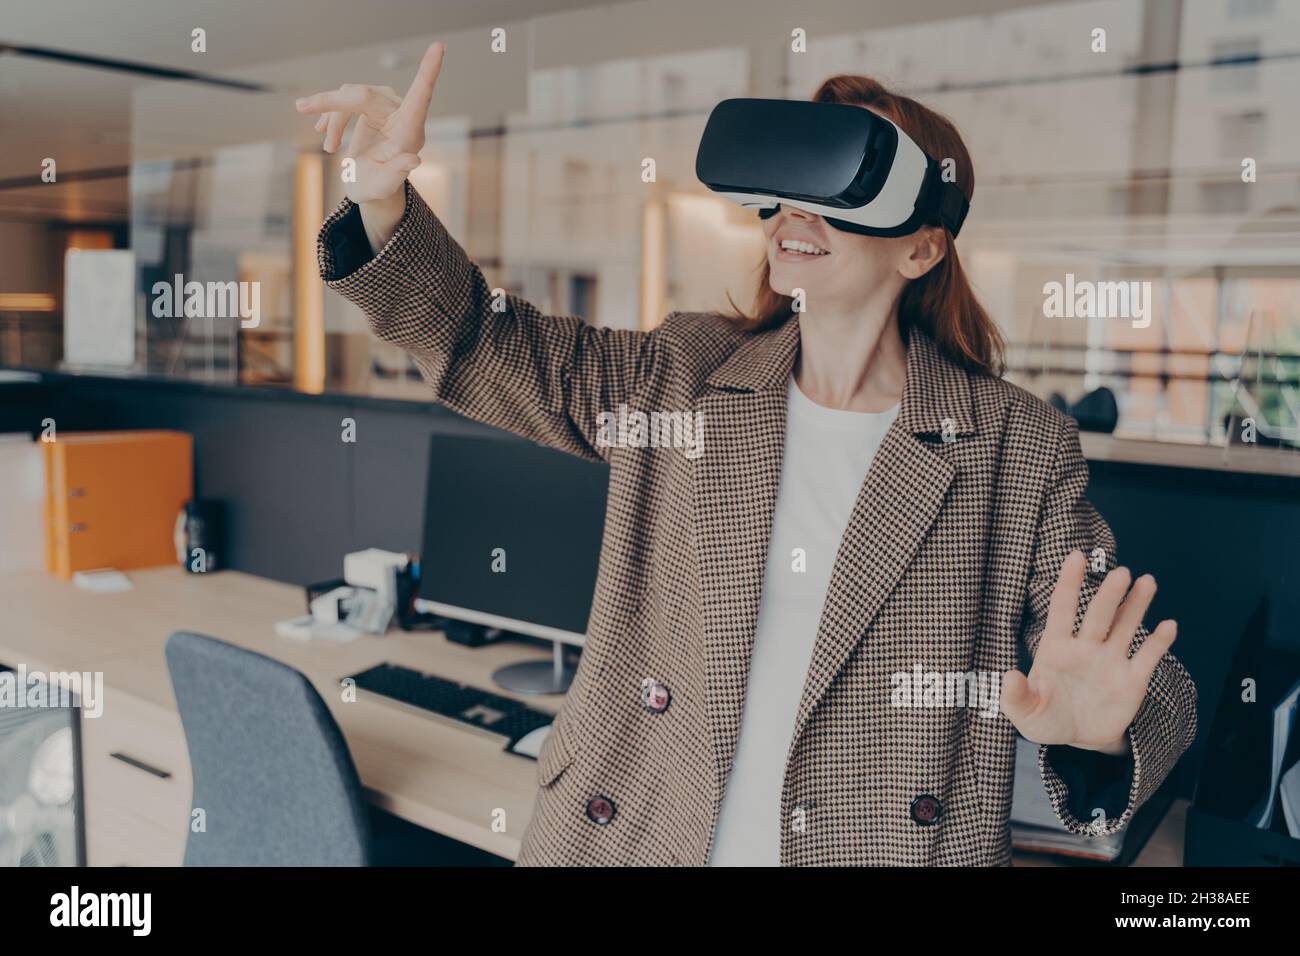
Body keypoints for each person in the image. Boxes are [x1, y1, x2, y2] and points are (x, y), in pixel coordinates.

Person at [297, 41, 1197, 866]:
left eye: (839, 186)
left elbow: (1143, 685)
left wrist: (1099, 736)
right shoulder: (684, 376)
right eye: (786, 183)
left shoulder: (1015, 448)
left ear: (921, 247)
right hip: (642, 840)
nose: (792, 213)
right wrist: (384, 200)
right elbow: (482, 343)